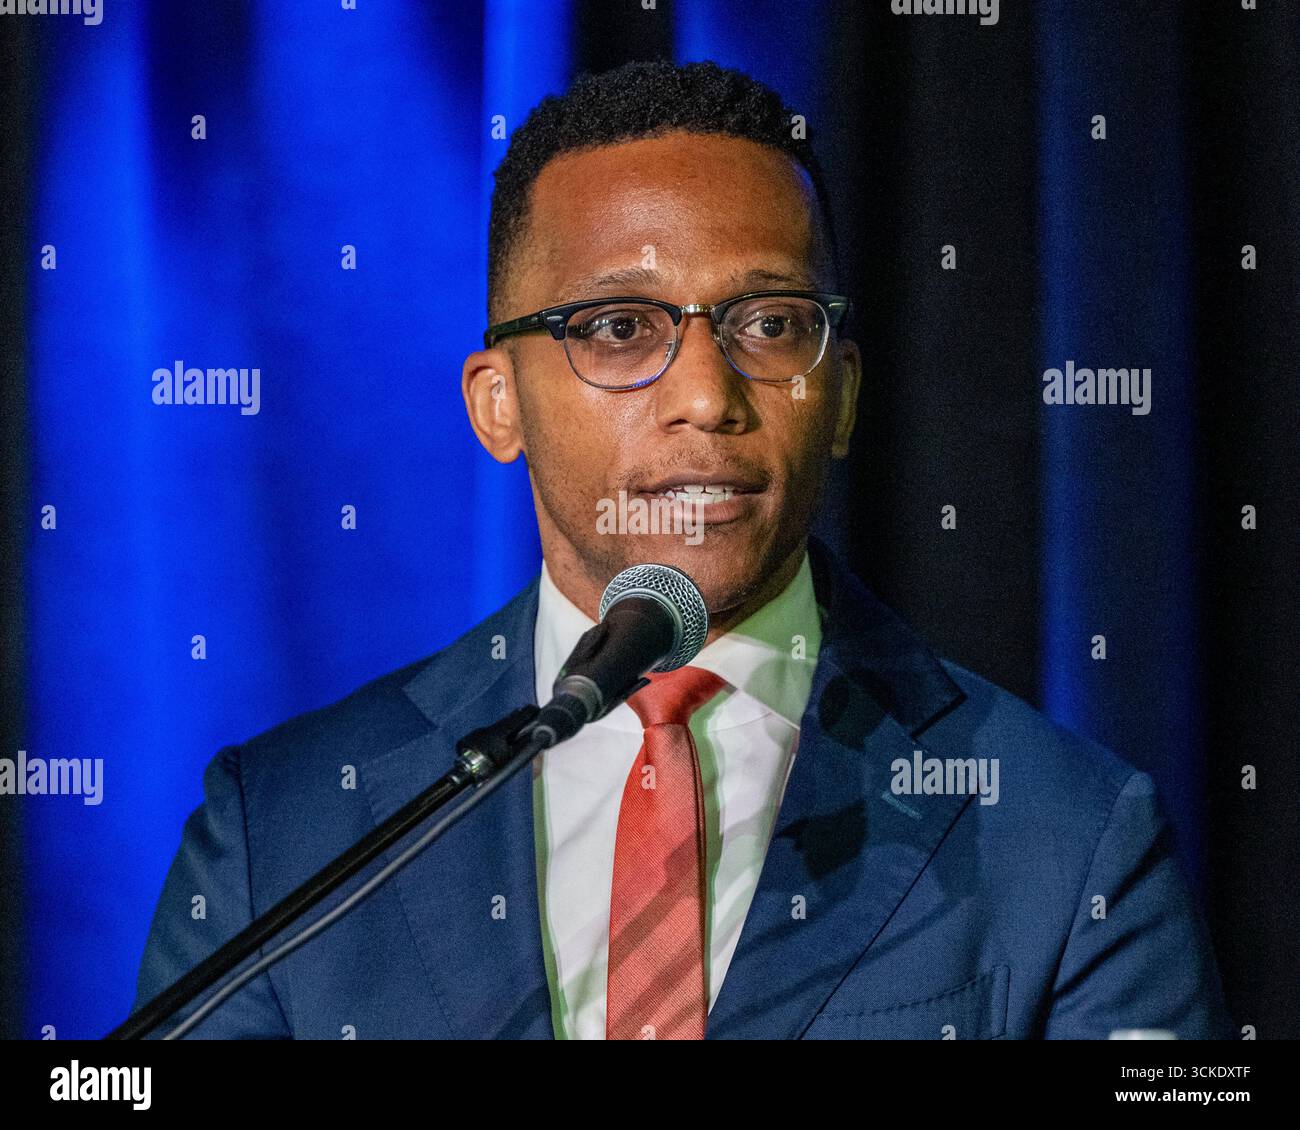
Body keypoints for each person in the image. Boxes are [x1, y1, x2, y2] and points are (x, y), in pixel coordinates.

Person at [133, 59, 1233, 1040]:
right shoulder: (284, 829)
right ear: (497, 401)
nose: (707, 397)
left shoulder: (1069, 834)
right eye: (618, 327)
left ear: (840, 391)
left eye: (768, 324)